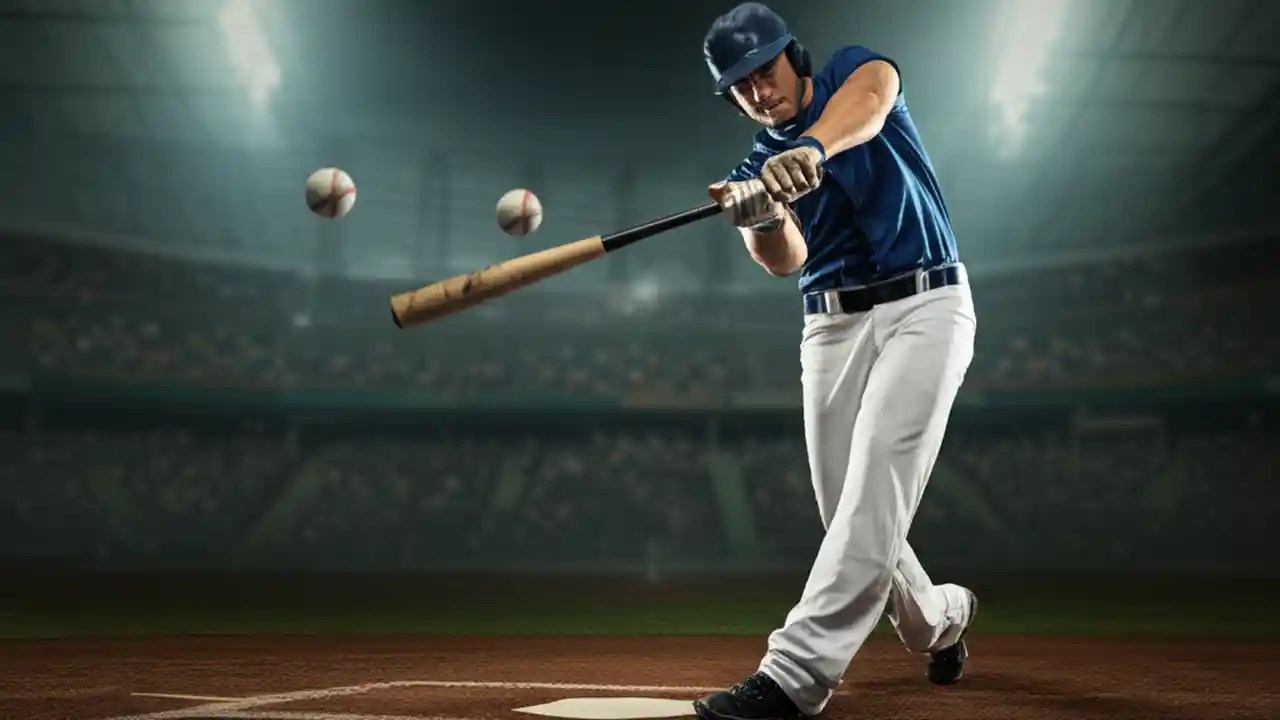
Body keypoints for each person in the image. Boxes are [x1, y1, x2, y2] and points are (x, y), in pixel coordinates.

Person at [695, 4, 980, 719]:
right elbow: (783, 259)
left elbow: (873, 106)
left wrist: (813, 150)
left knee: (877, 480)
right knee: (847, 510)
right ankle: (939, 618)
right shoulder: (753, 168)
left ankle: (794, 675)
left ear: (795, 57)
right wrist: (759, 214)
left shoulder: (856, 70)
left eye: (766, 71)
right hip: (831, 325)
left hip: (926, 304)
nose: (760, 92)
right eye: (742, 85)